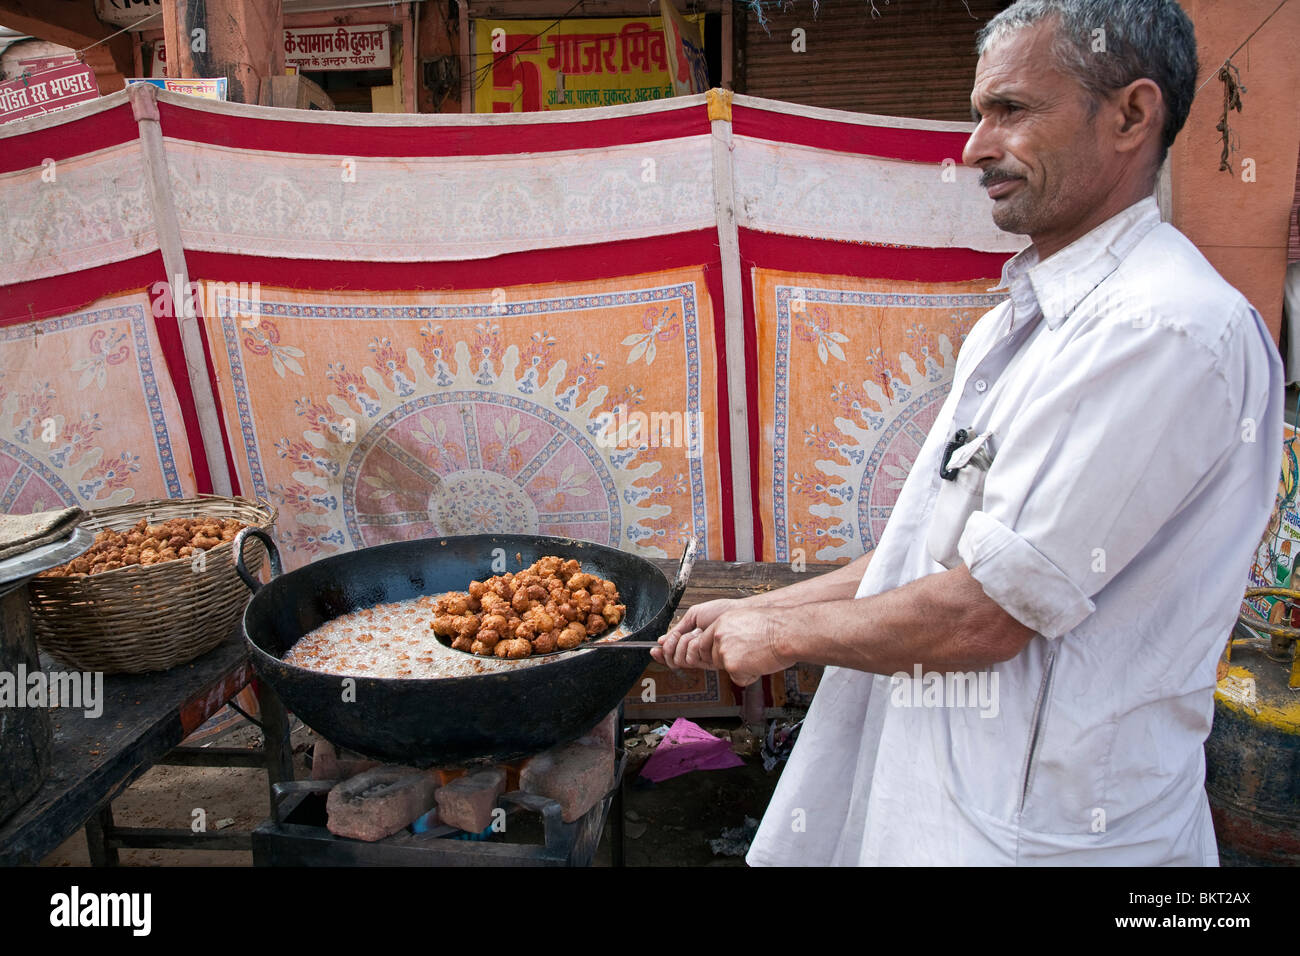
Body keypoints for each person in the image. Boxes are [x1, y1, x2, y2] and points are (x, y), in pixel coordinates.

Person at [652, 0, 1282, 865]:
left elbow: (988, 616)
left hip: (1052, 836)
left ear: (1133, 114)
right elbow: (923, 555)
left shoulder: (1165, 332)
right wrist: (765, 609)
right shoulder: (1017, 323)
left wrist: (782, 639)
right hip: (942, 799)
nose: (975, 148)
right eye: (979, 112)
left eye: (1012, 111)